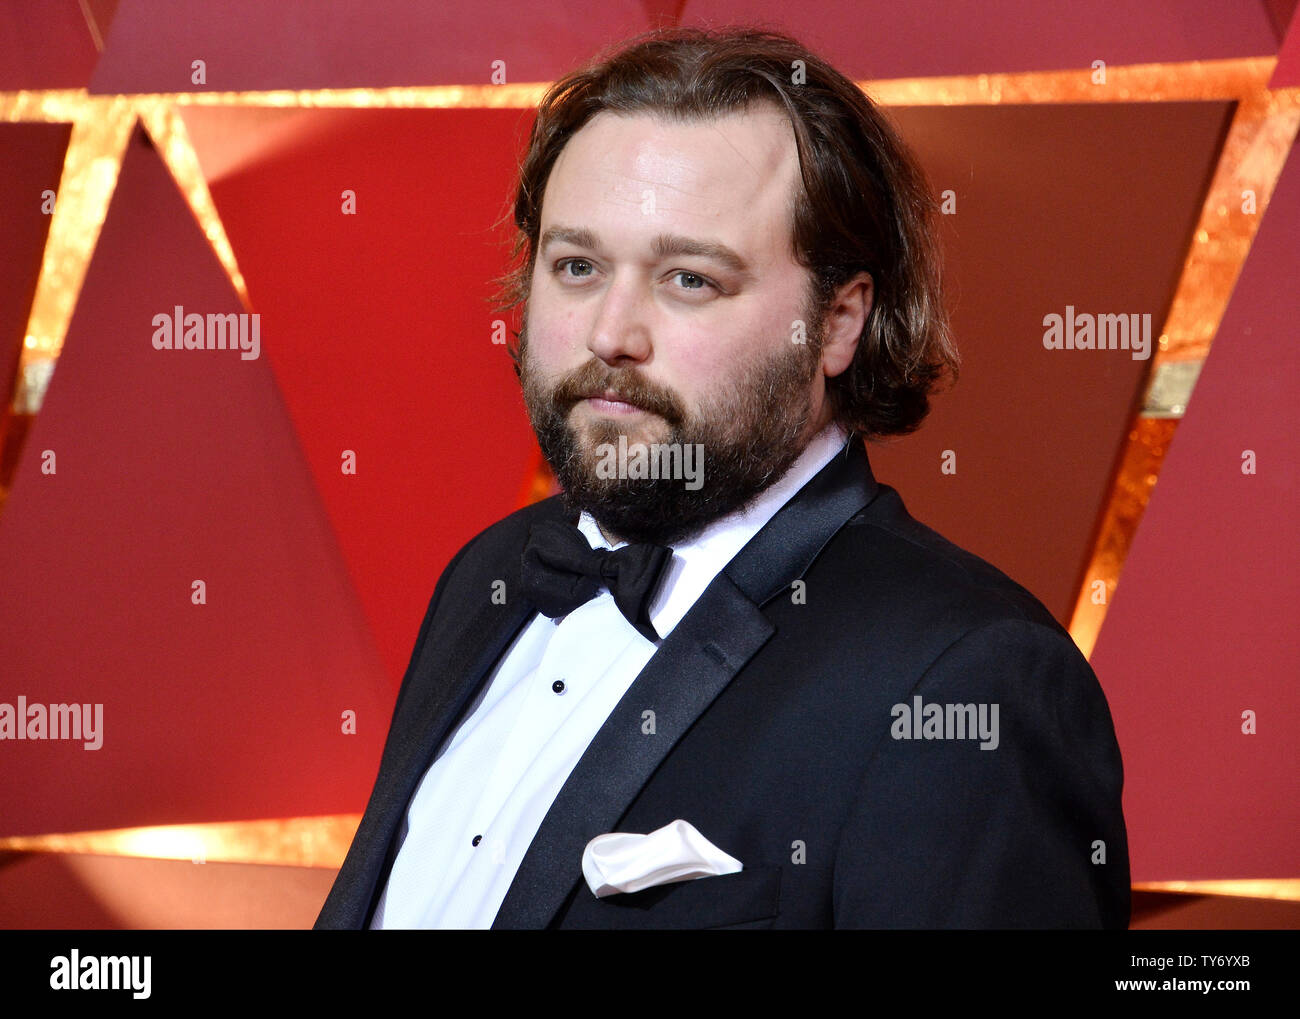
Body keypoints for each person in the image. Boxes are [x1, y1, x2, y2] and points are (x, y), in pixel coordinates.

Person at [315, 26, 1130, 930]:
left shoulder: (966, 679)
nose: (611, 333)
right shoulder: (487, 575)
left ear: (838, 323)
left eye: (689, 279)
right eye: (577, 267)